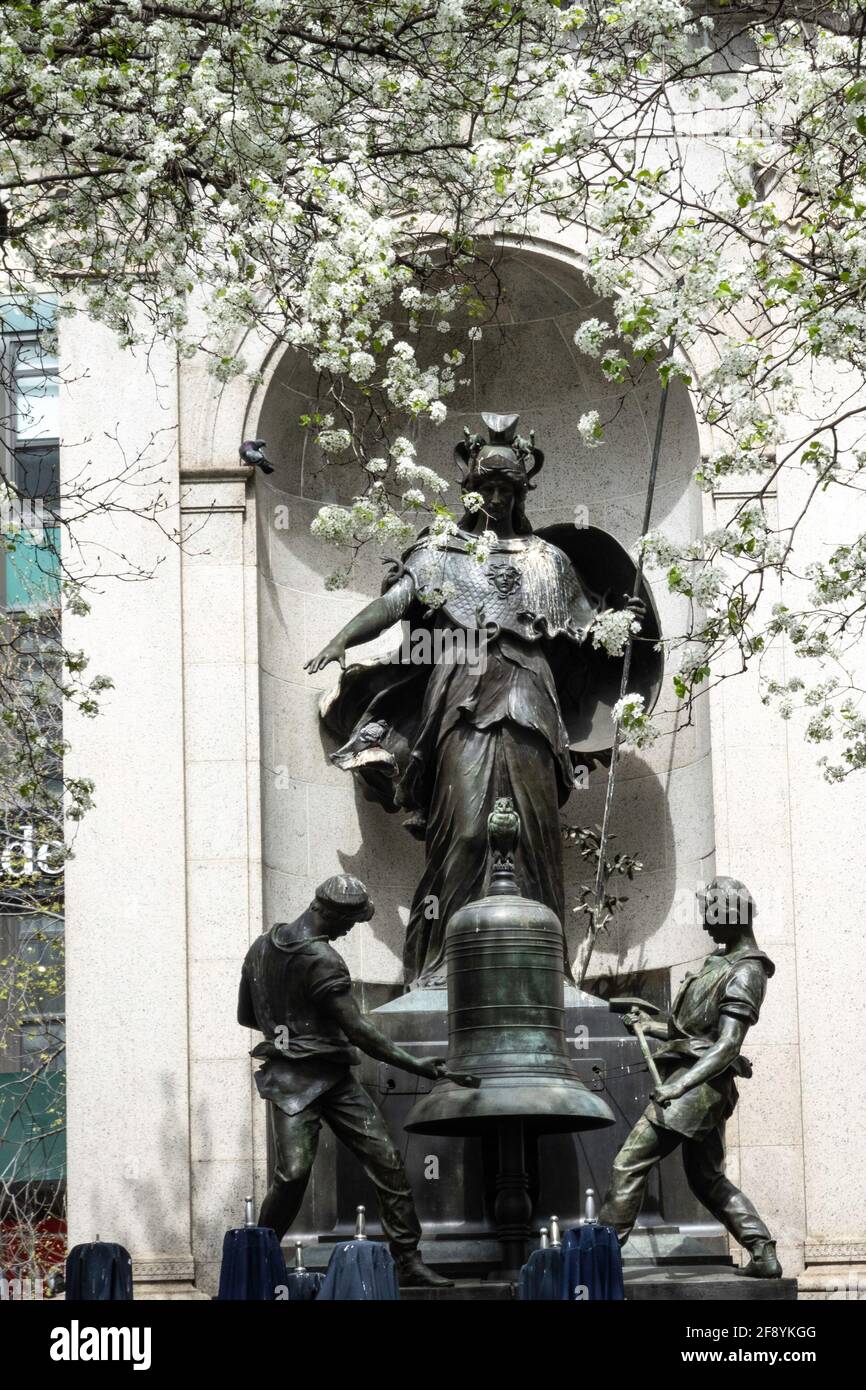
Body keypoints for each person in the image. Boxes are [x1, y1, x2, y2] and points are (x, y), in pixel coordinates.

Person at [306, 412, 660, 985]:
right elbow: (398, 602)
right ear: (469, 490)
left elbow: (585, 632)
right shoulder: (442, 551)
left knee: (534, 829)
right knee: (466, 825)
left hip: (531, 699)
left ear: (521, 492)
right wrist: (342, 638)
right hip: (461, 695)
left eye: (507, 488)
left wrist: (624, 623)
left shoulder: (549, 561)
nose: (495, 496)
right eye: (486, 486)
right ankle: (445, 960)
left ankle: (547, 967)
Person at [237, 873, 454, 1287]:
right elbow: (360, 1032)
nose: (348, 931)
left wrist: (286, 1027)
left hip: (320, 1078)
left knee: (375, 1162)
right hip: (307, 1078)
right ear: (331, 914)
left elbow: (246, 1016)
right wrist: (420, 1065)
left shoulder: (261, 947)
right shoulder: (323, 960)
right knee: (303, 1172)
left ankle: (406, 1258)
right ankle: (258, 1259)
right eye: (350, 923)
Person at [598, 876, 782, 1278]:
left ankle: (600, 1260)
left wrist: (680, 1085)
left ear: (733, 915)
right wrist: (650, 1024)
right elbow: (693, 1034)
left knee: (628, 1163)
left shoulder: (747, 972)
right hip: (699, 1084)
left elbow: (727, 1045)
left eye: (711, 916)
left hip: (696, 1089)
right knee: (706, 1178)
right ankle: (762, 1251)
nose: (704, 926)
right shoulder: (718, 964)